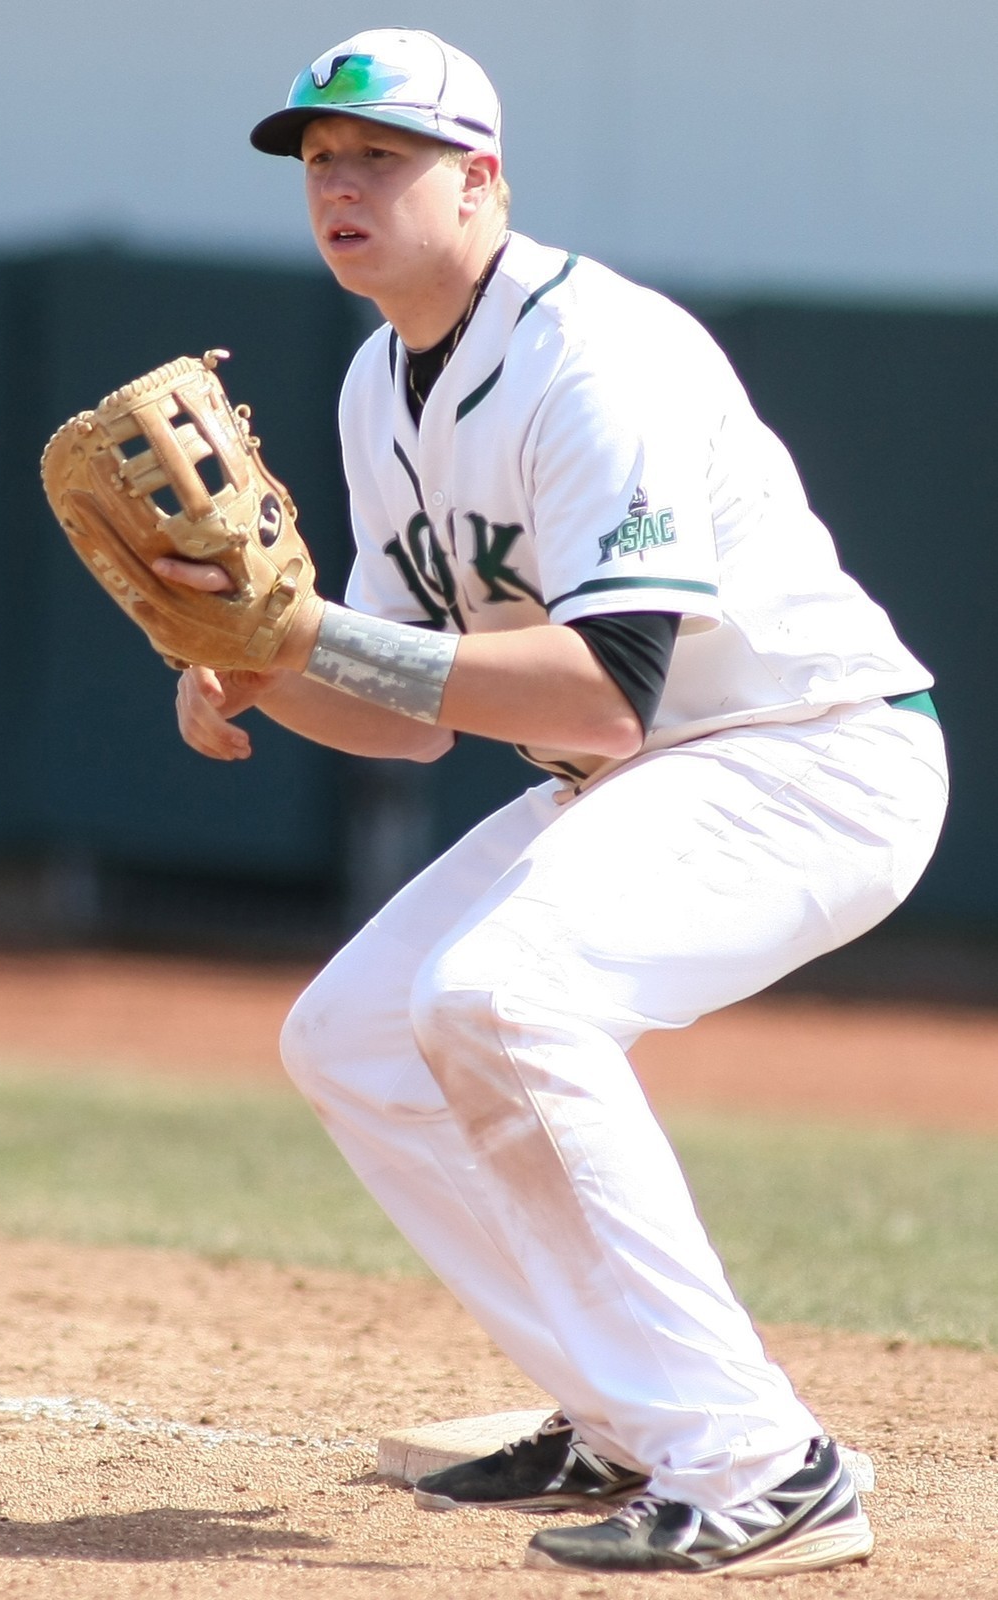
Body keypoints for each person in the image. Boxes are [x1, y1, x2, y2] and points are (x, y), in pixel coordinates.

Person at [161, 28, 948, 1577]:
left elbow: (598, 689)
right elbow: (404, 712)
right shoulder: (378, 382)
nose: (340, 186)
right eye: (320, 162)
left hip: (810, 755)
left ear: (482, 177)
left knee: (504, 997)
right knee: (355, 1037)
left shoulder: (600, 354)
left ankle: (759, 1463)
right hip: (652, 774)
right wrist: (245, 664)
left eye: (377, 157)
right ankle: (631, 1410)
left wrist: (310, 633)